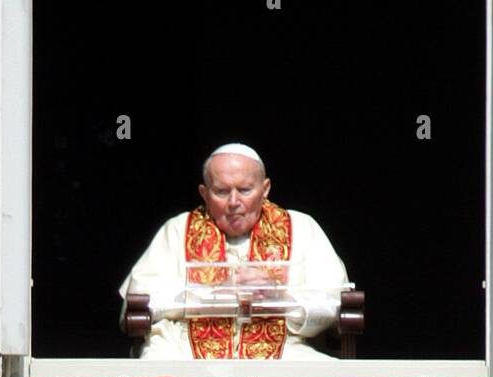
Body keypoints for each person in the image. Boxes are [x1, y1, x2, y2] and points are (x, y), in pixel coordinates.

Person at [119, 143, 350, 360]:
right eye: (221, 191)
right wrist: (211, 294)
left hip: (285, 351)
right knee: (156, 367)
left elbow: (333, 304)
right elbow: (138, 303)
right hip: (185, 350)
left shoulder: (301, 227)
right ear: (204, 193)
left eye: (245, 190)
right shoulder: (178, 229)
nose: (233, 202)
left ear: (265, 189)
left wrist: (278, 297)